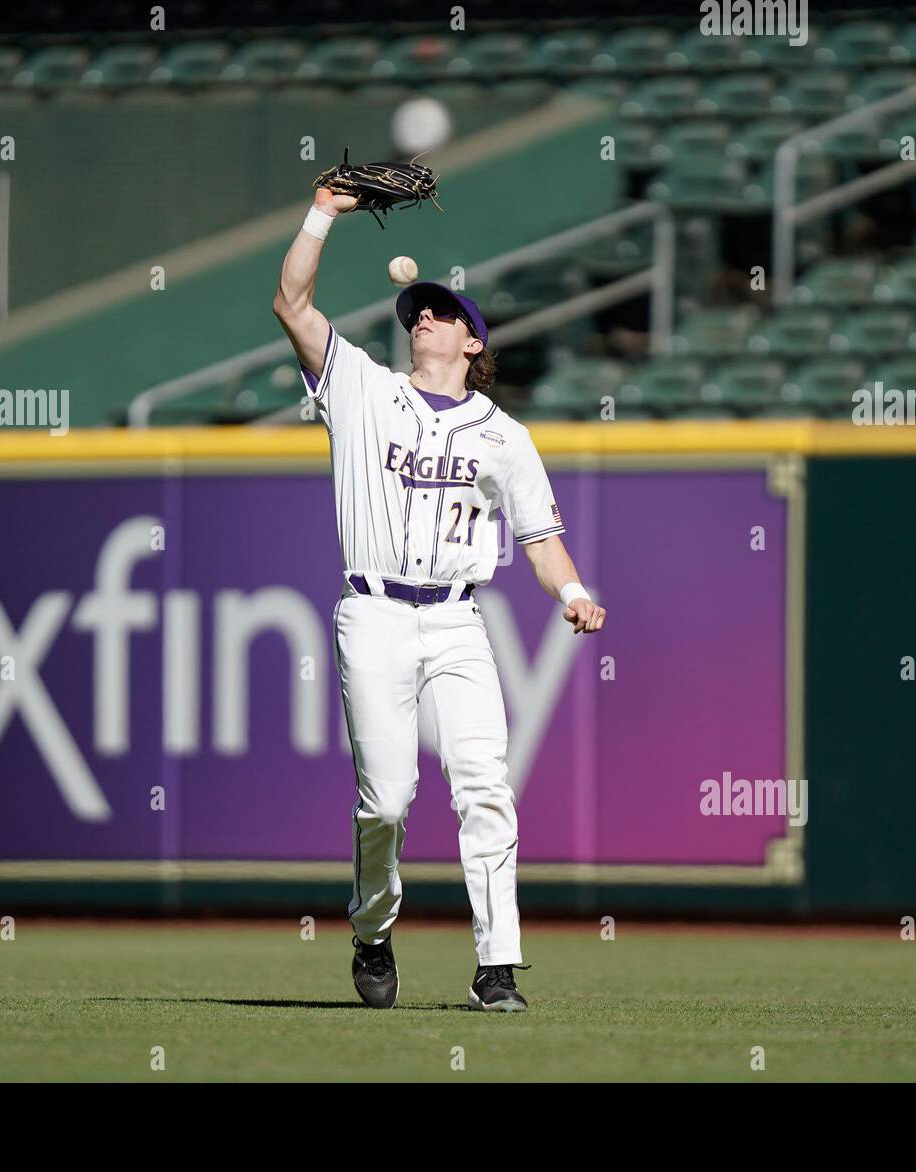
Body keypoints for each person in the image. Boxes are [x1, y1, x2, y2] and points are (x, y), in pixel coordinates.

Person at [273, 184, 606, 1012]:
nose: (421, 318)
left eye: (439, 313)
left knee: (484, 783)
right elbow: (291, 300)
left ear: (471, 341)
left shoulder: (504, 434)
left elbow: (538, 537)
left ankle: (497, 966)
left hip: (457, 618)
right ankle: (373, 929)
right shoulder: (360, 387)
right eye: (416, 311)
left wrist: (572, 589)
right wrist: (323, 213)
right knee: (385, 798)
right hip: (375, 613)